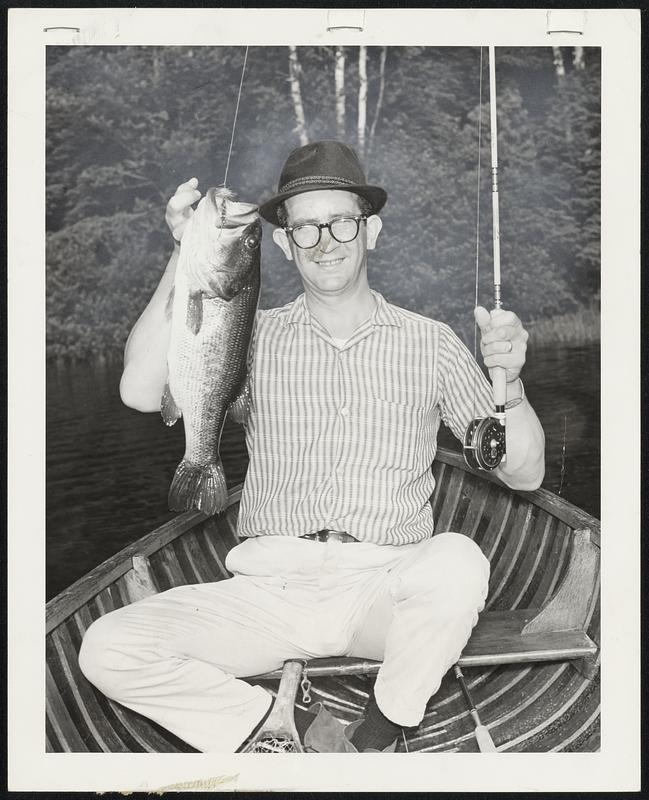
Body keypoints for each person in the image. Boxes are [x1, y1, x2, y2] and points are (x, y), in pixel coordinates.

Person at [79, 140, 545, 753]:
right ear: (280, 241)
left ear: (371, 230)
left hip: (383, 589)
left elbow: (526, 474)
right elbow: (141, 392)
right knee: (107, 647)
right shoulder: (250, 334)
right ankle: (292, 726)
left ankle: (382, 728)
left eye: (341, 222)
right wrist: (186, 252)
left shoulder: (432, 343)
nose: (324, 241)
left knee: (457, 560)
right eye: (303, 228)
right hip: (268, 590)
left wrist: (510, 383)